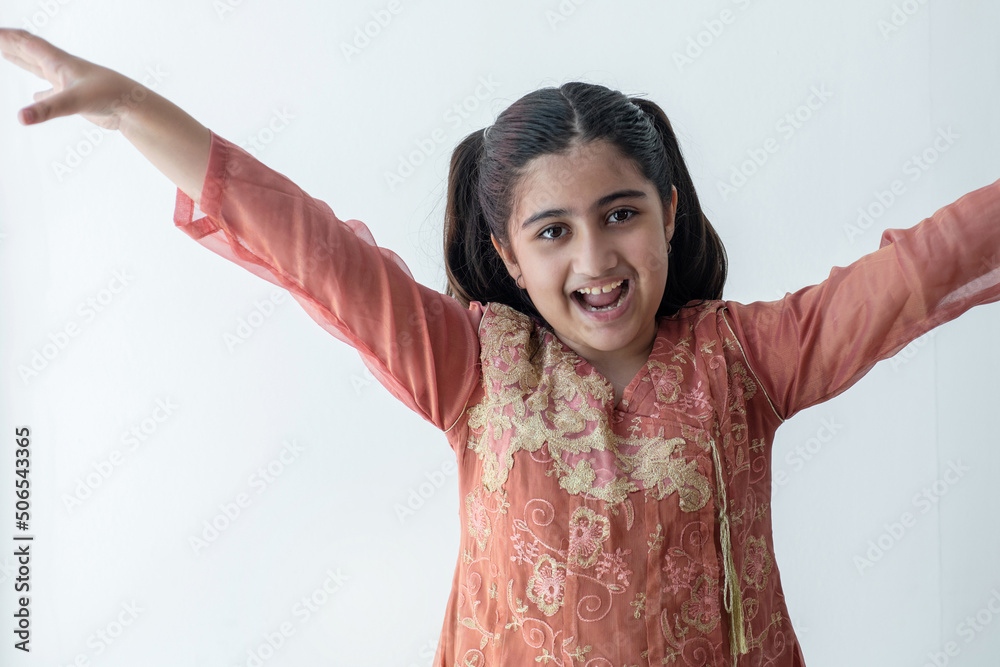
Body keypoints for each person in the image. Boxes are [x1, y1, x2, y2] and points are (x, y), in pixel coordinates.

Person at [3, 27, 999, 667]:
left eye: (621, 215)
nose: (597, 257)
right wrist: (131, 105)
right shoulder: (470, 367)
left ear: (669, 212)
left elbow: (915, 269)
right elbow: (308, 248)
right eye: (554, 230)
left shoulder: (750, 357)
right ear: (507, 258)